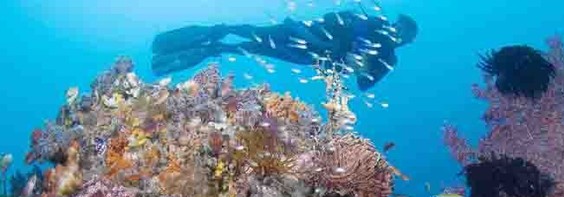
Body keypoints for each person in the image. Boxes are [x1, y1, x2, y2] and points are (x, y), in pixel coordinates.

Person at [151, 11, 418, 90]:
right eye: (398, 25)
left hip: (309, 54)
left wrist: (363, 65)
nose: (396, 30)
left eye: (402, 31)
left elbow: (363, 85)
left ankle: (216, 45)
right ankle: (217, 34)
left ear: (405, 41)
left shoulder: (387, 59)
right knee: (256, 35)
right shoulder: (375, 23)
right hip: (305, 35)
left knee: (256, 46)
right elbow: (339, 18)